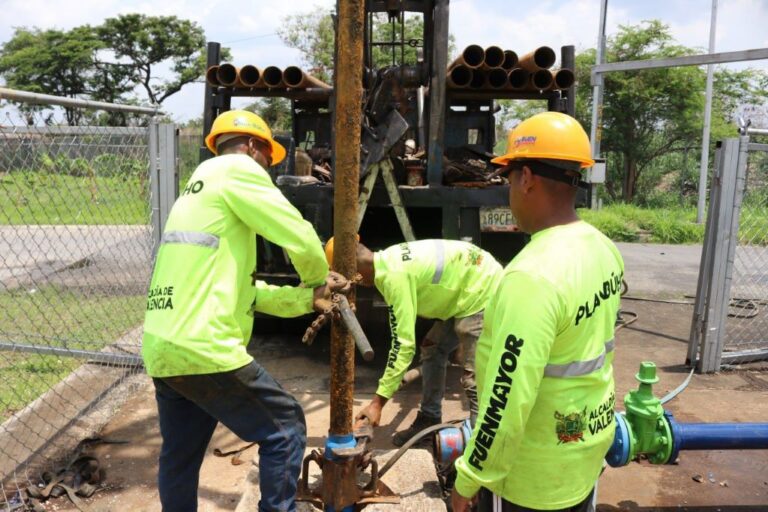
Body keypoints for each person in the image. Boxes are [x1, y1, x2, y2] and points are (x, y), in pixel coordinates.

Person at [141, 110, 348, 512]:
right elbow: (299, 234)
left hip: (164, 347)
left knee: (179, 458)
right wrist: (319, 278)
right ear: (254, 147)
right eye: (268, 162)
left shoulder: (198, 189)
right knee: (285, 427)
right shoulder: (237, 169)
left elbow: (245, 293)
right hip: (205, 349)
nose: (267, 172)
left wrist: (306, 301)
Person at [451, 112, 625, 512]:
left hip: (531, 474)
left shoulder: (531, 276)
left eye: (509, 178)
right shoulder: (603, 248)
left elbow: (505, 402)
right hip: (585, 450)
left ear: (526, 178)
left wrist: (469, 479)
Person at [324, 238, 503, 445]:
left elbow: (403, 347)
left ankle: (480, 447)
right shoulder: (387, 257)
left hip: (482, 288)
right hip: (469, 283)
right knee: (432, 348)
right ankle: (429, 418)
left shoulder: (393, 278)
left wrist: (377, 403)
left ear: (354, 274)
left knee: (474, 377)